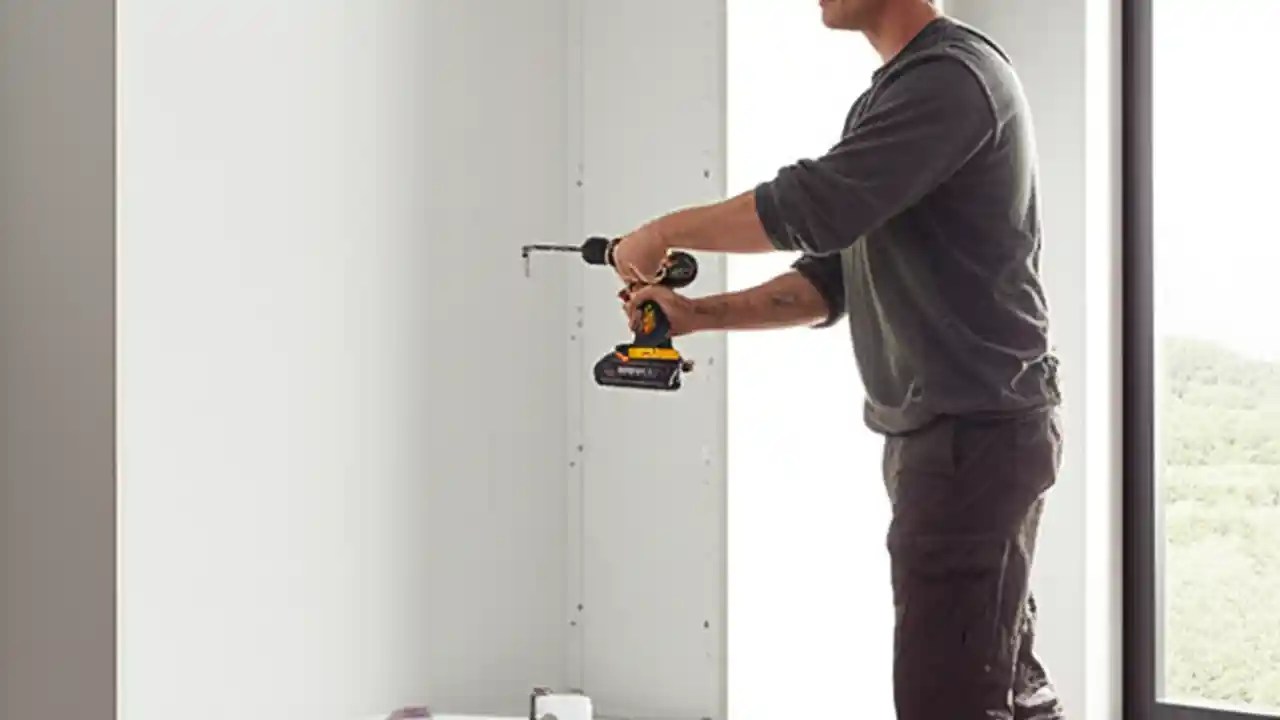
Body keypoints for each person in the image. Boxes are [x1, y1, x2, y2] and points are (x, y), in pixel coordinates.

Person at [608, 1, 1066, 718]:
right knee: (999, 687)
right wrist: (697, 315)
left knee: (949, 699)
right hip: (951, 438)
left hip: (974, 439)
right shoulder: (898, 94)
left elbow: (813, 206)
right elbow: (830, 275)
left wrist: (662, 232)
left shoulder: (951, 79)